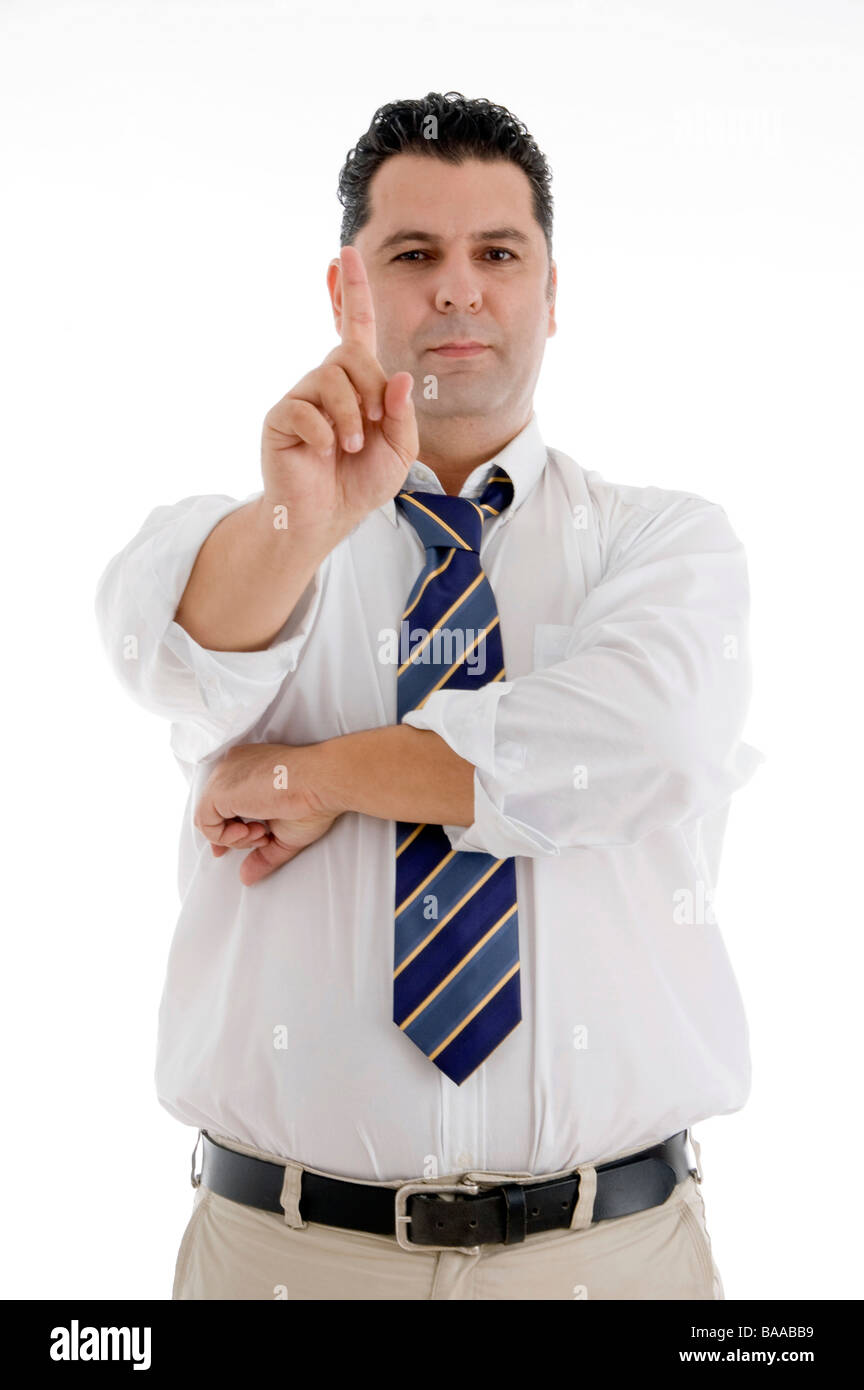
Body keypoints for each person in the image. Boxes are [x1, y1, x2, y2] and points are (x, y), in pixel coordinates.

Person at [94, 91, 764, 1300]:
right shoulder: (260, 542)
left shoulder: (664, 543)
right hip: (286, 1259)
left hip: (612, 1260)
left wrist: (309, 774)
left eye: (497, 254)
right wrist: (306, 514)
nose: (459, 290)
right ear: (348, 288)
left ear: (552, 292)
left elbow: (633, 742)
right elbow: (170, 649)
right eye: (415, 255)